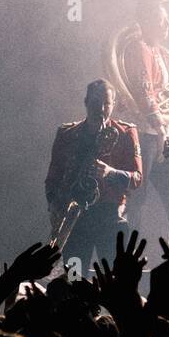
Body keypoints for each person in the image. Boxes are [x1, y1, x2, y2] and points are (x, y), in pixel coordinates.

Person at [45, 79, 143, 272]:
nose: (101, 108)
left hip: (110, 215)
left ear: (113, 104)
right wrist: (54, 207)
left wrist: (110, 173)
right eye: (96, 102)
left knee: (116, 279)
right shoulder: (66, 134)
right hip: (74, 220)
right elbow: (52, 178)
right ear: (86, 102)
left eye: (107, 103)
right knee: (74, 278)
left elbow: (137, 178)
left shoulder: (126, 133)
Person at [122, 0, 169, 228]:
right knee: (138, 196)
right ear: (147, 22)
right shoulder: (139, 48)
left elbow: (159, 92)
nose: (167, 25)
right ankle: (127, 254)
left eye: (167, 21)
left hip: (161, 132)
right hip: (146, 134)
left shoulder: (159, 52)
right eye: (161, 20)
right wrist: (159, 126)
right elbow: (144, 90)